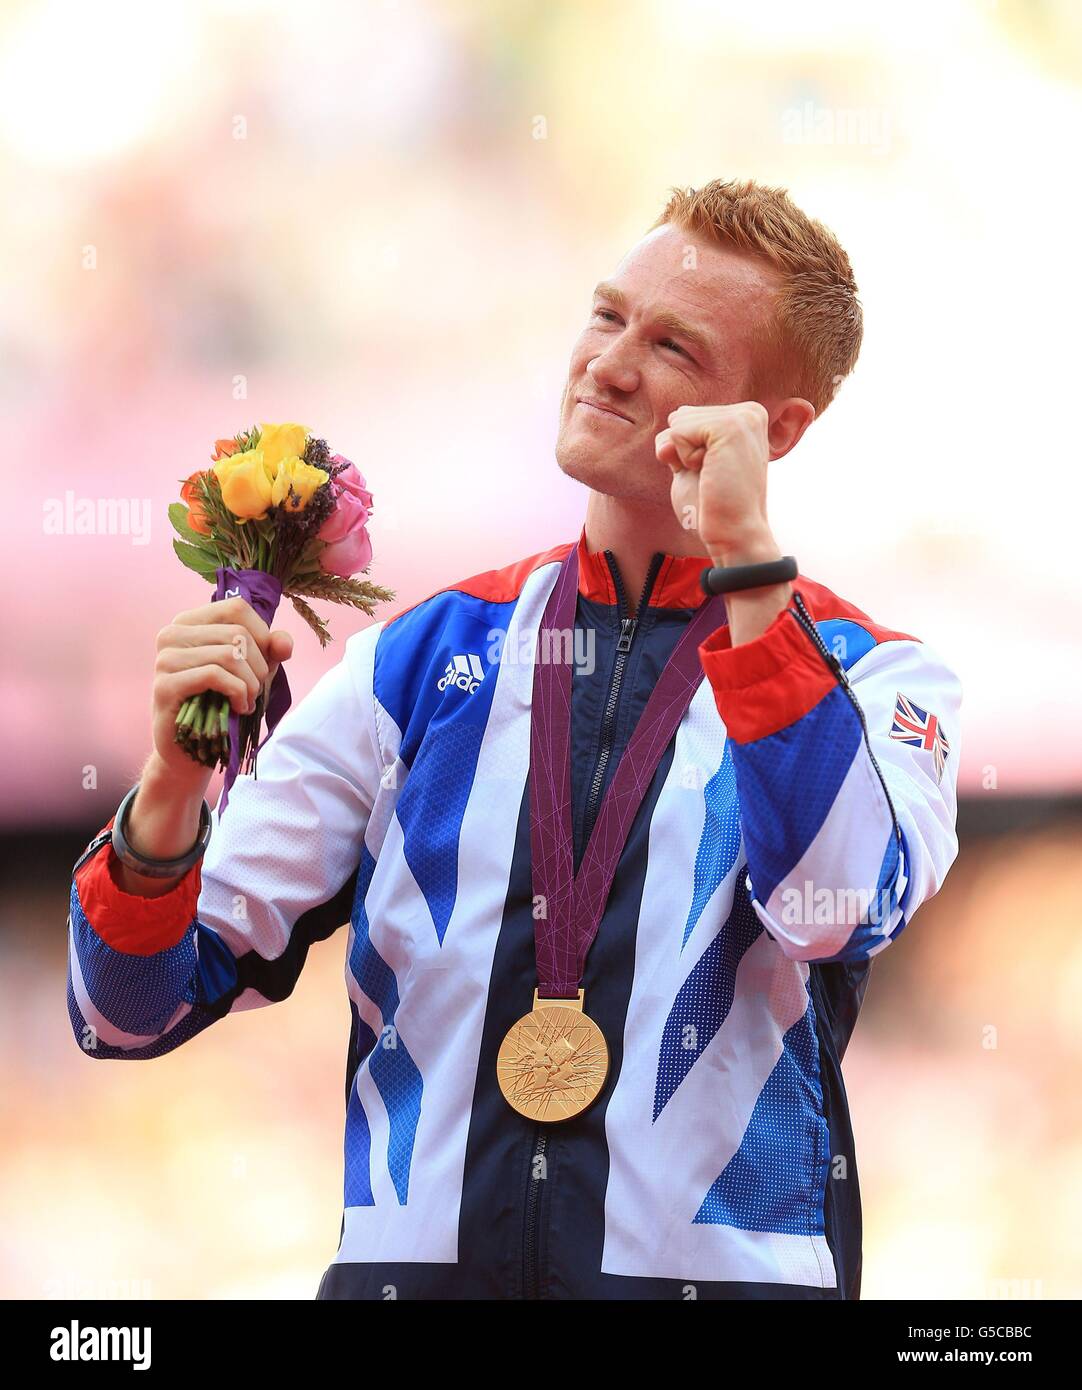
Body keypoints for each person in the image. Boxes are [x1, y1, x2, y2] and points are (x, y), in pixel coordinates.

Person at [66, 178, 962, 1300]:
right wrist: (167, 788)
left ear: (774, 430)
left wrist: (745, 562)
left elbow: (835, 906)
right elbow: (123, 1013)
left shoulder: (877, 675)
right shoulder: (412, 665)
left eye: (674, 347)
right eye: (605, 314)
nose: (610, 363)